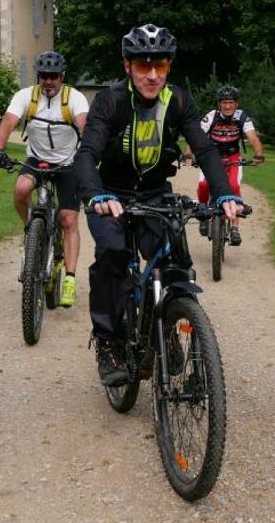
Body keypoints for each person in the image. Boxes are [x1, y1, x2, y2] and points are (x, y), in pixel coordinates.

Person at [75, 24, 244, 387]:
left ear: (168, 67)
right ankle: (108, 342)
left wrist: (225, 194)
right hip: (111, 195)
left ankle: (170, 328)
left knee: (175, 263)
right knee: (113, 255)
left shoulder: (179, 100)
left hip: (155, 193)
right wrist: (94, 194)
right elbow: (87, 152)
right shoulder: (109, 101)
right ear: (127, 66)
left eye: (161, 66)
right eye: (143, 66)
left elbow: (205, 148)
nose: (152, 75)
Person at [0, 51, 89, 308]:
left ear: (62, 76)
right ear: (39, 77)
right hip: (37, 159)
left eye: (54, 76)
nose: (49, 81)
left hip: (68, 163)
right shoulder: (26, 96)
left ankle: (69, 278)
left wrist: (91, 151)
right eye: (44, 76)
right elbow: (8, 122)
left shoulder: (73, 98)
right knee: (21, 189)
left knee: (68, 219)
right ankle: (31, 231)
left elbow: (84, 124)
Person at [185, 84, 265, 246]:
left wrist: (258, 154)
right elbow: (196, 135)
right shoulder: (212, 116)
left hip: (233, 157)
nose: (227, 106)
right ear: (219, 104)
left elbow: (252, 137)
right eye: (224, 102)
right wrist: (188, 153)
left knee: (234, 186)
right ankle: (203, 215)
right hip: (211, 157)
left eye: (231, 102)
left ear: (236, 104)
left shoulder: (242, 117)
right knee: (203, 185)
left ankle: (235, 227)